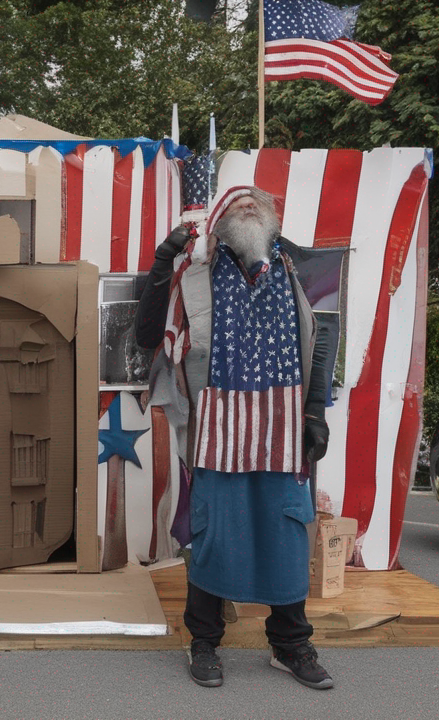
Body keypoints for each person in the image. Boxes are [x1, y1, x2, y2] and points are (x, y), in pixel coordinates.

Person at [136, 186, 335, 690]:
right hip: (216, 428)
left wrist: (315, 411)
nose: (250, 206)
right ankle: (203, 641)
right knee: (214, 534)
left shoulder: (294, 269)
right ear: (220, 222)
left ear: (271, 220)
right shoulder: (195, 274)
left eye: (258, 204)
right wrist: (164, 260)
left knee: (286, 534)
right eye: (238, 203)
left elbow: (321, 336)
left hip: (283, 429)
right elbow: (146, 333)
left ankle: (290, 645)